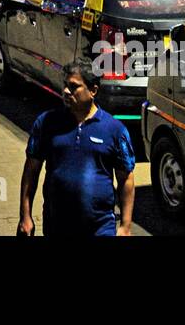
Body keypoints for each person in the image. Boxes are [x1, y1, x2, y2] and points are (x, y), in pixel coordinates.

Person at [19, 62, 135, 236]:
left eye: (73, 87)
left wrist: (125, 226)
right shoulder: (47, 123)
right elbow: (31, 170)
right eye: (65, 85)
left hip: (100, 228)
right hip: (56, 225)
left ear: (93, 90)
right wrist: (25, 216)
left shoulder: (114, 130)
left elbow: (125, 179)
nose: (66, 91)